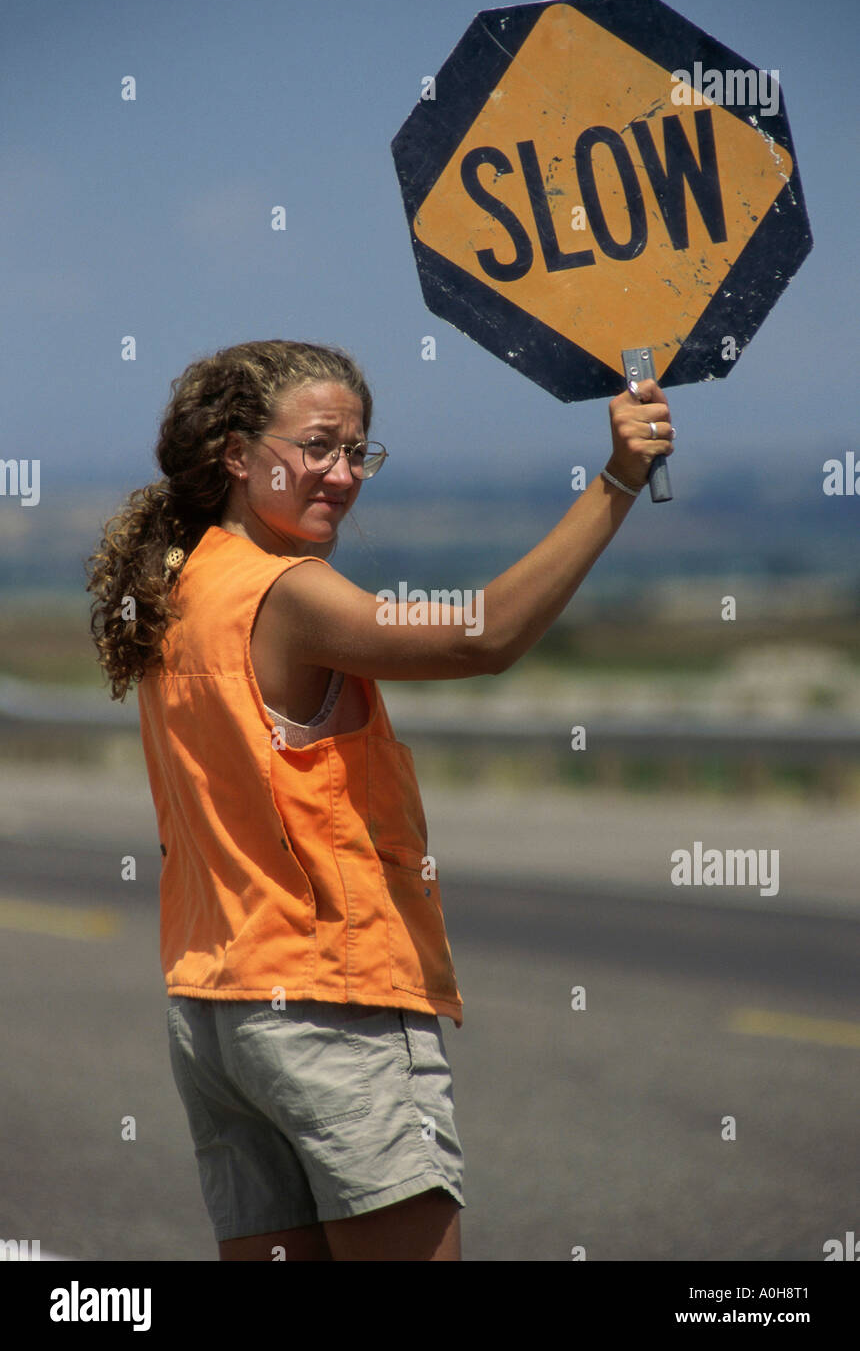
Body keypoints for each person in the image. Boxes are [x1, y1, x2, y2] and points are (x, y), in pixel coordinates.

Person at [86, 338, 673, 1262]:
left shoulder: (184, 585)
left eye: (358, 452)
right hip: (328, 1000)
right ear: (238, 455)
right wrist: (618, 481)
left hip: (215, 1007)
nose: (342, 473)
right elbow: (480, 639)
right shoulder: (289, 593)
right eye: (316, 446)